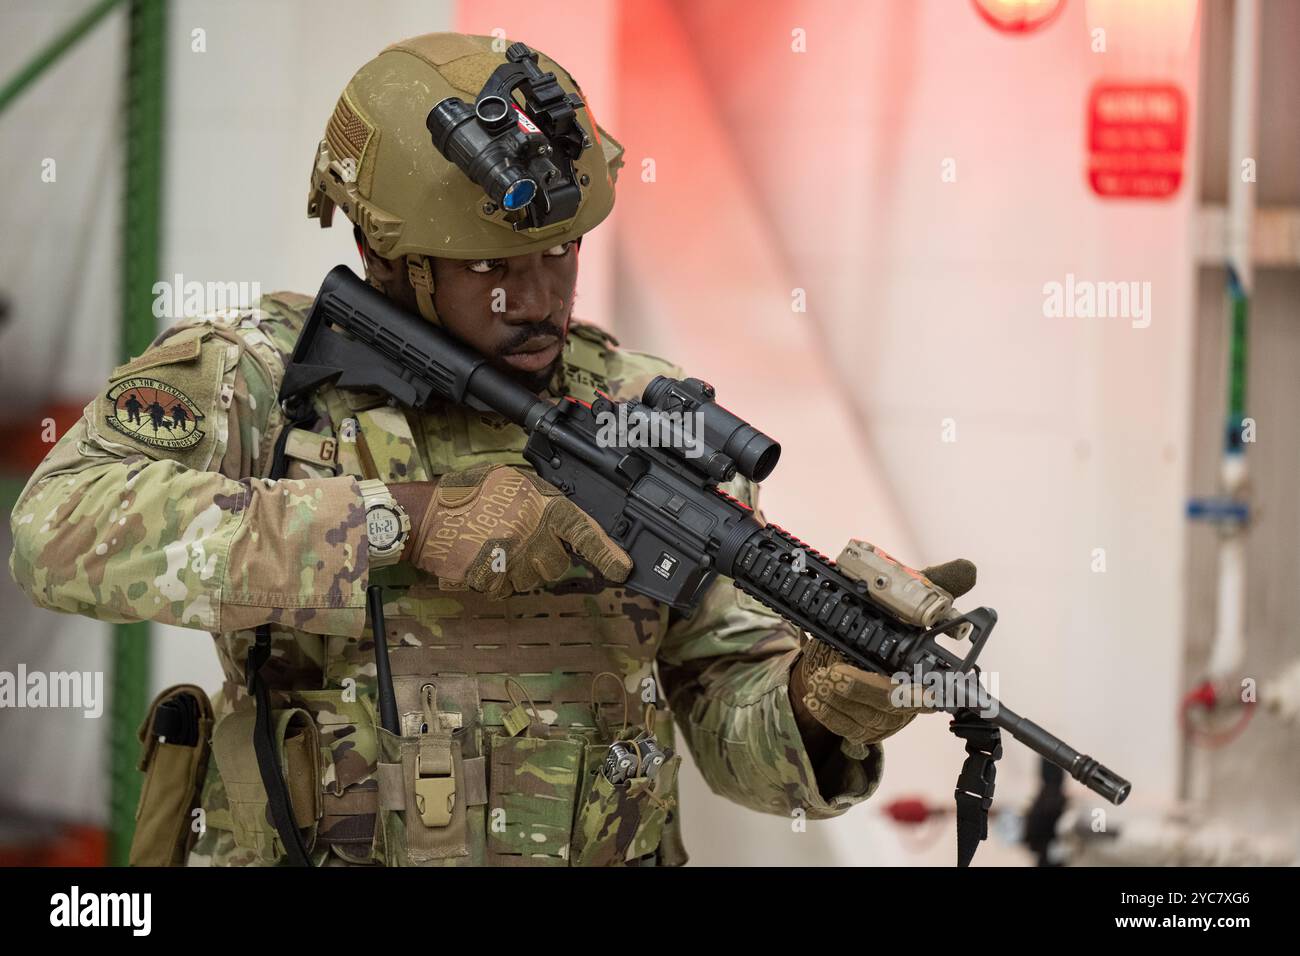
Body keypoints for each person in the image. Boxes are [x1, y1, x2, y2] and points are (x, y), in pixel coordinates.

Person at [9, 32, 971, 867]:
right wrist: (403, 524)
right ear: (388, 254)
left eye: (562, 254)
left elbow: (728, 721)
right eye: (492, 269)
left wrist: (817, 703)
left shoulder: (635, 404)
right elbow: (56, 530)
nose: (543, 297)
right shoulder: (263, 380)